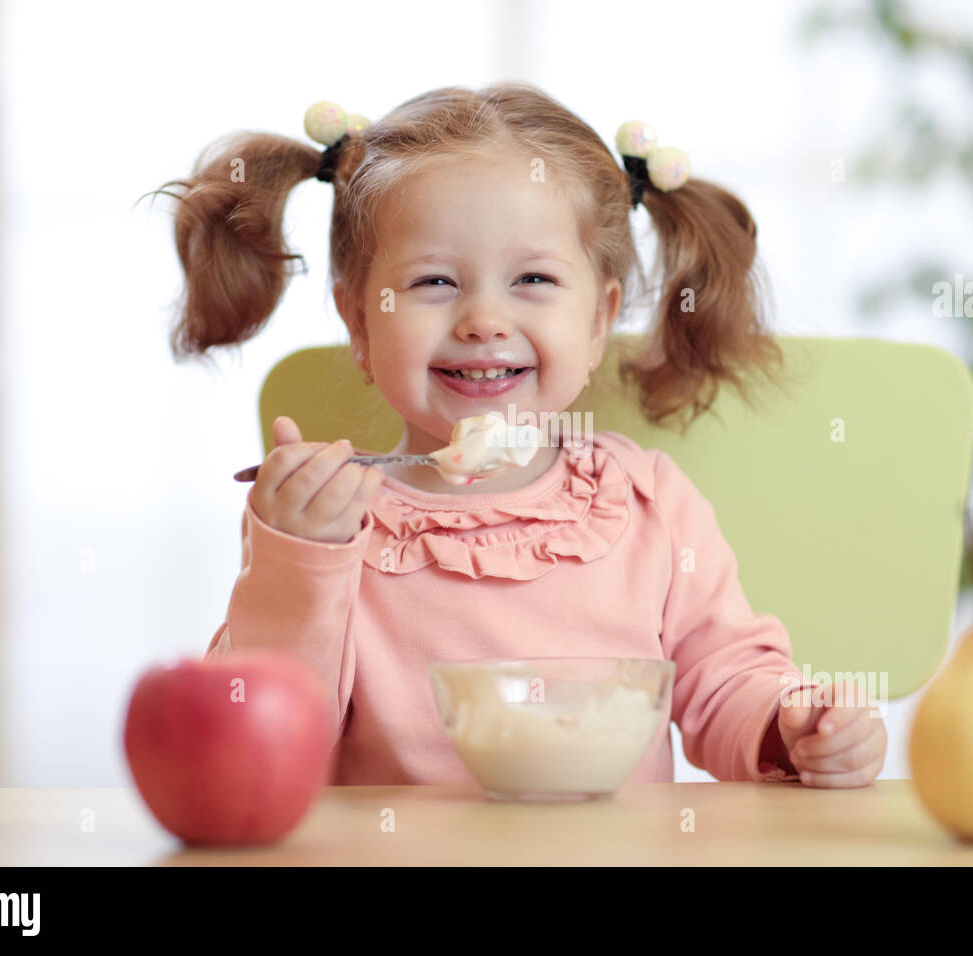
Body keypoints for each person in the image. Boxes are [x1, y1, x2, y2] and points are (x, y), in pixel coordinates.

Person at [147, 81, 886, 789]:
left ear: (599, 320)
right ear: (360, 323)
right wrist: (297, 566)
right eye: (434, 282)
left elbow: (726, 685)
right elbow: (263, 738)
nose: (484, 321)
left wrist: (792, 727)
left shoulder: (648, 504)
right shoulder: (329, 525)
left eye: (532, 280)